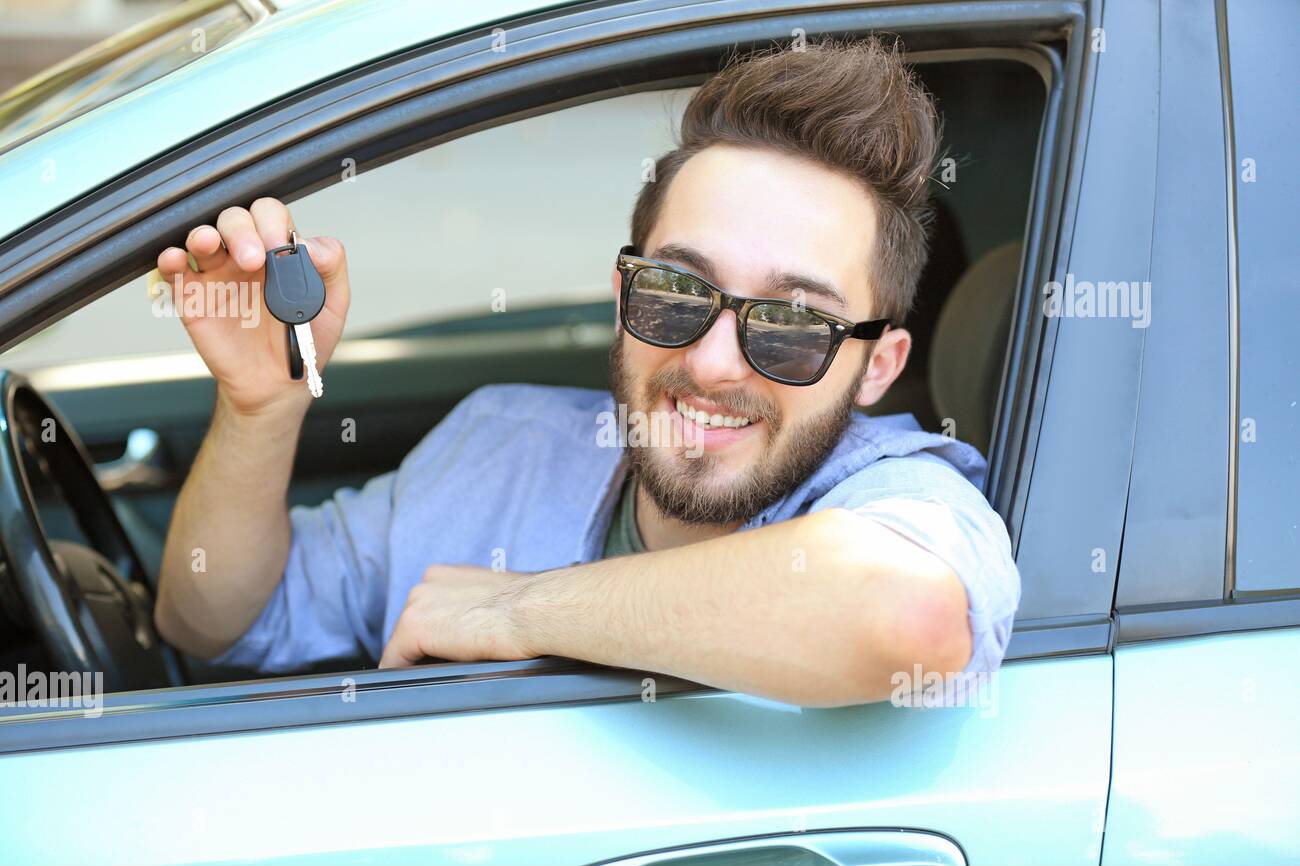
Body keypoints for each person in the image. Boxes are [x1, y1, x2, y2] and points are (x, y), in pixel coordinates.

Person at [152, 37, 1020, 707]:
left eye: (792, 323)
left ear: (877, 368)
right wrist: (260, 406)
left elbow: (906, 614)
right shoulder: (501, 445)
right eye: (679, 291)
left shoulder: (898, 501)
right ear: (622, 295)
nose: (713, 363)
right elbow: (216, 621)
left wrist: (514, 611)